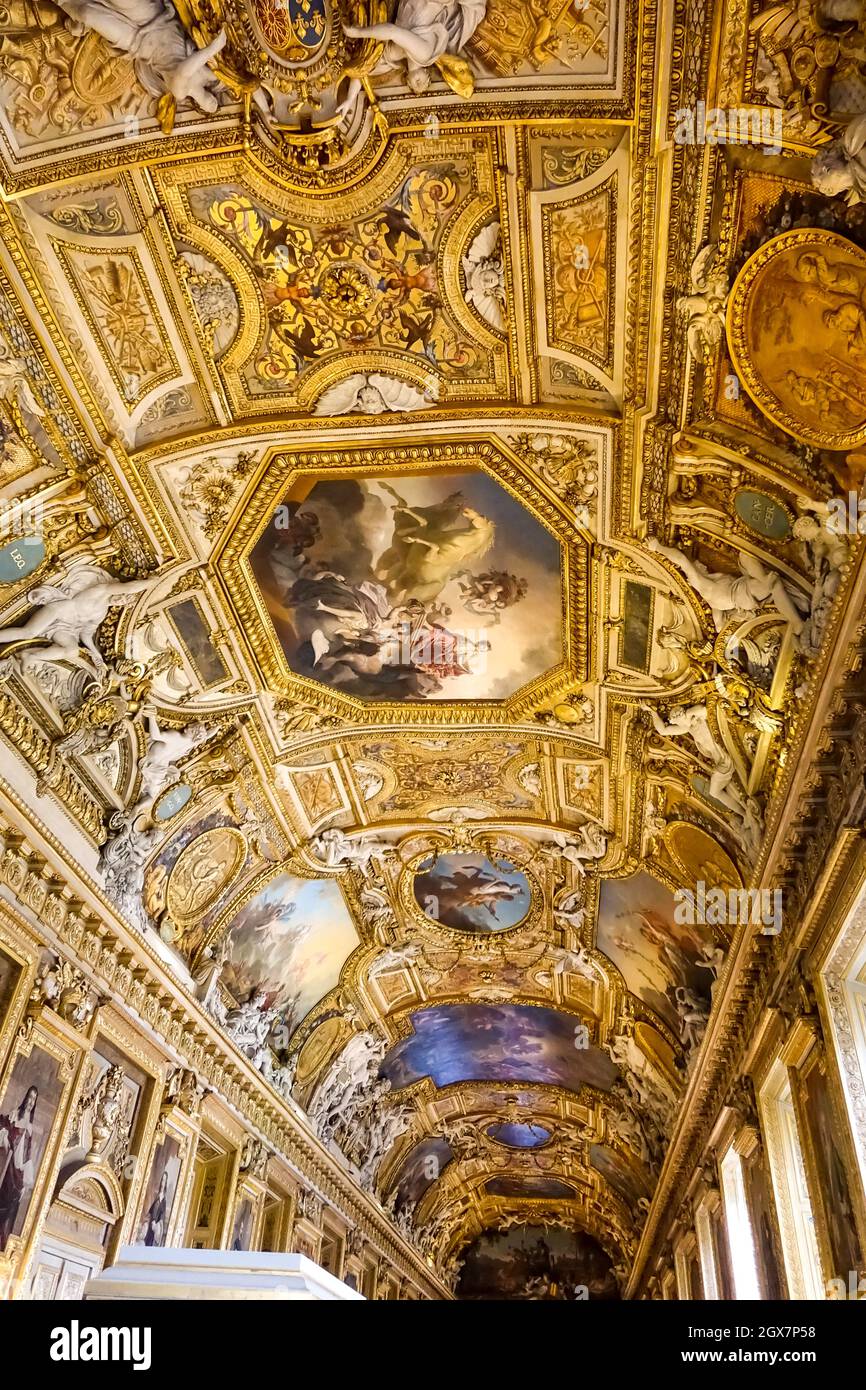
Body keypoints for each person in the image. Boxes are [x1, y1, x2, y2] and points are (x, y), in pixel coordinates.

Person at [0, 1085, 38, 1249]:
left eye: (33, 1099)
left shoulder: (30, 1126)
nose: (31, 1101)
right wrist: (7, 1136)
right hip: (7, 1164)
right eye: (29, 1097)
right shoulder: (15, 1115)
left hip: (18, 1170)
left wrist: (26, 1176)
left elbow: (27, 1153)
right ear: (25, 1098)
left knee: (12, 1202)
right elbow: (4, 1129)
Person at [141, 1169, 169, 1247]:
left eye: (164, 1180)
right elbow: (151, 1209)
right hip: (151, 1224)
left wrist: (157, 1225)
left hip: (156, 1227)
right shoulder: (156, 1195)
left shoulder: (164, 1199)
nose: (163, 1182)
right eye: (162, 1180)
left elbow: (162, 1214)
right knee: (147, 1242)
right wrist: (152, 1221)